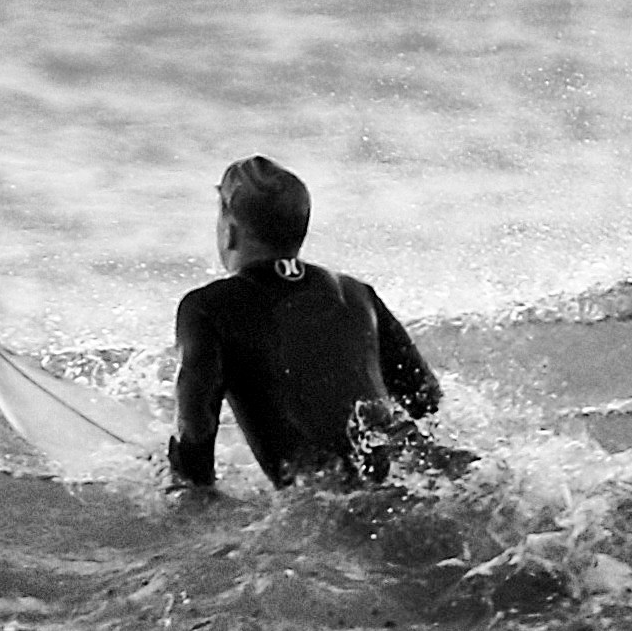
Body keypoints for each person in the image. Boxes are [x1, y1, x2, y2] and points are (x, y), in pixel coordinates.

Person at [167, 156, 448, 495]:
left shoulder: (207, 308)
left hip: (330, 504)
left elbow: (194, 438)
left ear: (230, 232)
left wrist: (178, 494)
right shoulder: (355, 294)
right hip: (414, 482)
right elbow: (426, 401)